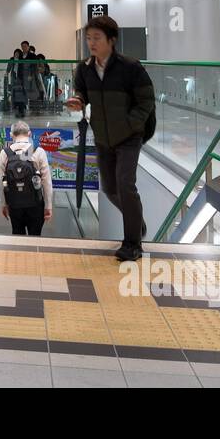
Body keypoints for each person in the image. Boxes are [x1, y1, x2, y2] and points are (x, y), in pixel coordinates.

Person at [65, 15, 154, 261]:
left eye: (97, 38)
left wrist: (130, 124)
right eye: (88, 38)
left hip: (128, 137)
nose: (91, 43)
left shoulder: (130, 67)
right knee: (110, 188)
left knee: (125, 185)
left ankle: (133, 243)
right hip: (103, 137)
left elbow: (146, 101)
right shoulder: (84, 69)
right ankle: (137, 223)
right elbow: (82, 93)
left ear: (111, 40)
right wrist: (79, 101)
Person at [0, 121, 53, 235]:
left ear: (12, 135)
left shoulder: (5, 153)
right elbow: (46, 182)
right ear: (30, 134)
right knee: (35, 236)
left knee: (17, 235)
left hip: (14, 204)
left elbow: (1, 182)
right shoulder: (38, 151)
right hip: (35, 204)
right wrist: (48, 206)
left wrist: (3, 204)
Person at [6, 48, 28, 118]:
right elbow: (8, 68)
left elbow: (25, 70)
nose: (16, 55)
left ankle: (21, 108)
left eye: (18, 54)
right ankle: (16, 107)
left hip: (20, 79)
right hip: (14, 78)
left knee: (20, 94)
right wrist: (6, 73)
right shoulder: (11, 60)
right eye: (15, 53)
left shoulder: (22, 61)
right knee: (14, 92)